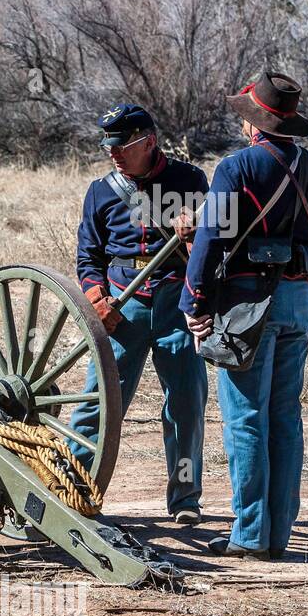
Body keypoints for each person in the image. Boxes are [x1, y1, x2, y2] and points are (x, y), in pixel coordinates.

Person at [182, 73, 308, 560]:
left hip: (246, 306)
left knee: (245, 420)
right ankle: (278, 535)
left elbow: (211, 239)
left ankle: (250, 535)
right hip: (299, 303)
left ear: (253, 125)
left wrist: (194, 302)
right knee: (285, 418)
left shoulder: (237, 169)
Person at [68, 104, 210, 524]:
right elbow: (88, 256)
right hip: (122, 305)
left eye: (122, 145)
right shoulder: (101, 190)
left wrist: (191, 237)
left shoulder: (189, 181)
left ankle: (185, 501)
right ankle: (75, 490)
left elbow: (213, 250)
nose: (113, 153)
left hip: (176, 302)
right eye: (107, 145)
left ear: (148, 141)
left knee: (185, 404)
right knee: (100, 402)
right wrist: (97, 298)